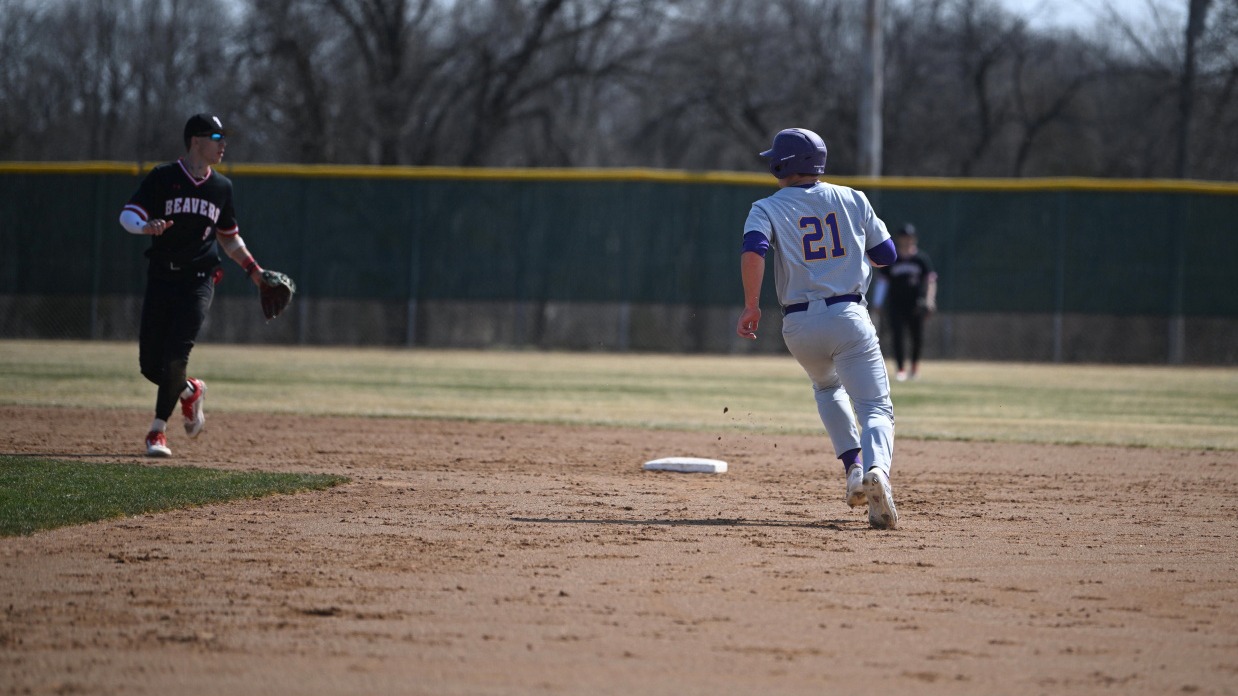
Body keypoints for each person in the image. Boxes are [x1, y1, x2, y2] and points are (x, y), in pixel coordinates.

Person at [736, 128, 900, 529]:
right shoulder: (852, 197)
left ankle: (853, 468)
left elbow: (754, 251)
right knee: (876, 408)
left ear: (781, 164)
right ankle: (877, 470)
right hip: (847, 316)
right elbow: (887, 256)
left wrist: (752, 306)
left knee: (827, 388)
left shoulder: (765, 207)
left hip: (799, 325)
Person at [119, 113, 272, 457]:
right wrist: (145, 228)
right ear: (196, 141)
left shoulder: (221, 187)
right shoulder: (163, 177)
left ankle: (157, 432)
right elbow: (127, 215)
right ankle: (190, 391)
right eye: (216, 137)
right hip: (161, 277)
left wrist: (255, 271)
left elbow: (230, 240)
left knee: (176, 355)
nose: (223, 144)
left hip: (199, 279)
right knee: (150, 365)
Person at [880, 224, 938, 381]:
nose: (907, 241)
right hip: (896, 304)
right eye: (904, 237)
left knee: (917, 338)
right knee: (897, 337)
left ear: (914, 239)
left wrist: (929, 300)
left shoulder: (921, 259)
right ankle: (900, 370)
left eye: (910, 238)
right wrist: (878, 304)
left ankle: (914, 367)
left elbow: (931, 281)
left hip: (916, 305)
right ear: (899, 239)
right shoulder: (892, 259)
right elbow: (883, 282)